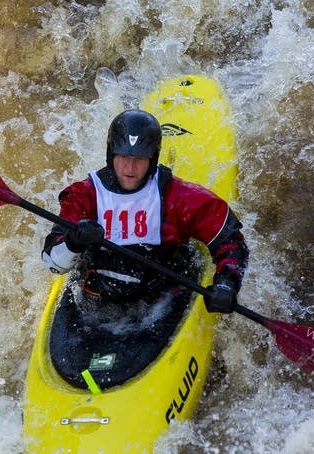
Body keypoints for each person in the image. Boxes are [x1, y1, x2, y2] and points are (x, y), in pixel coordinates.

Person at [41, 109, 248, 314]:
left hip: (161, 302)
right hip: (97, 301)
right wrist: (74, 242)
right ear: (110, 154)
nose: (129, 168)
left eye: (139, 159)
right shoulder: (84, 196)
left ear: (153, 158)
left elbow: (229, 240)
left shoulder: (176, 196)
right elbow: (53, 264)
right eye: (122, 156)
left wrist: (227, 282)